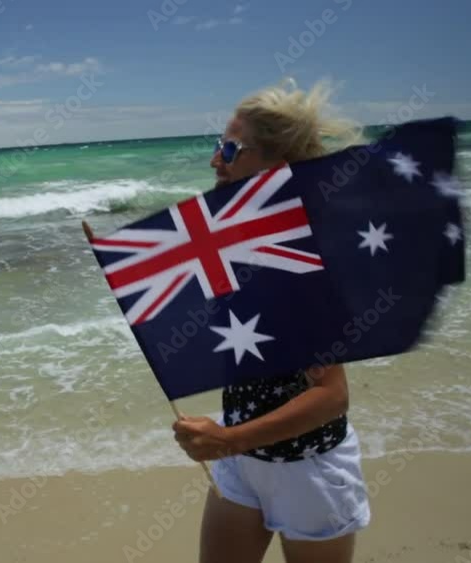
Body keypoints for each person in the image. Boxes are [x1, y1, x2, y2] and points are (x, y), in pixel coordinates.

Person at [172, 79, 369, 563]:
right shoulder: (236, 244)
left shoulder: (302, 257)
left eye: (230, 149)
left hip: (308, 469)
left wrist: (225, 439)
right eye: (218, 146)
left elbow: (331, 396)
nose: (215, 159)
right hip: (242, 457)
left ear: (275, 165)